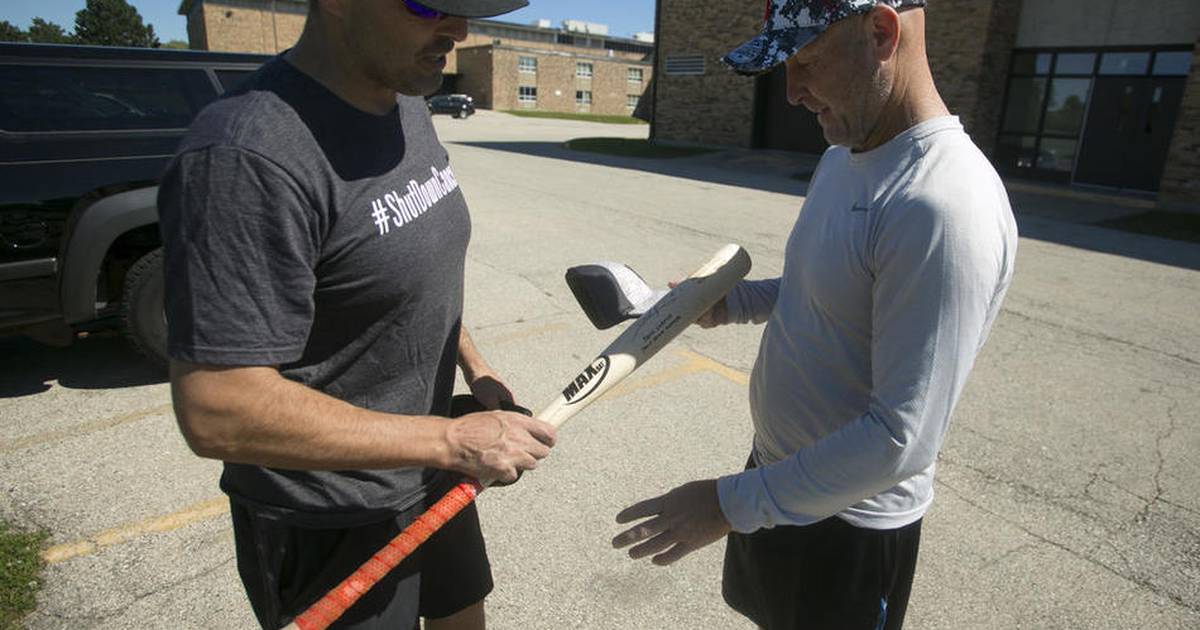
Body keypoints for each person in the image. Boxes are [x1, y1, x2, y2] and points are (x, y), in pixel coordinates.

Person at [612, 1, 1018, 629]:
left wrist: (727, 505)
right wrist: (729, 303)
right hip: (779, 479)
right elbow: (822, 283)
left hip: (847, 525)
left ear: (881, 32)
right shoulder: (844, 157)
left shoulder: (941, 203)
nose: (793, 92)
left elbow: (899, 440)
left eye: (804, 61)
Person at [157, 1, 557, 628]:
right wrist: (453, 439)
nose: (459, 29)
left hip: (428, 471)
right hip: (327, 513)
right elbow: (217, 408)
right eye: (432, 3)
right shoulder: (245, 158)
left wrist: (476, 372)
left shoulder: (405, 103)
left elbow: (409, 273)